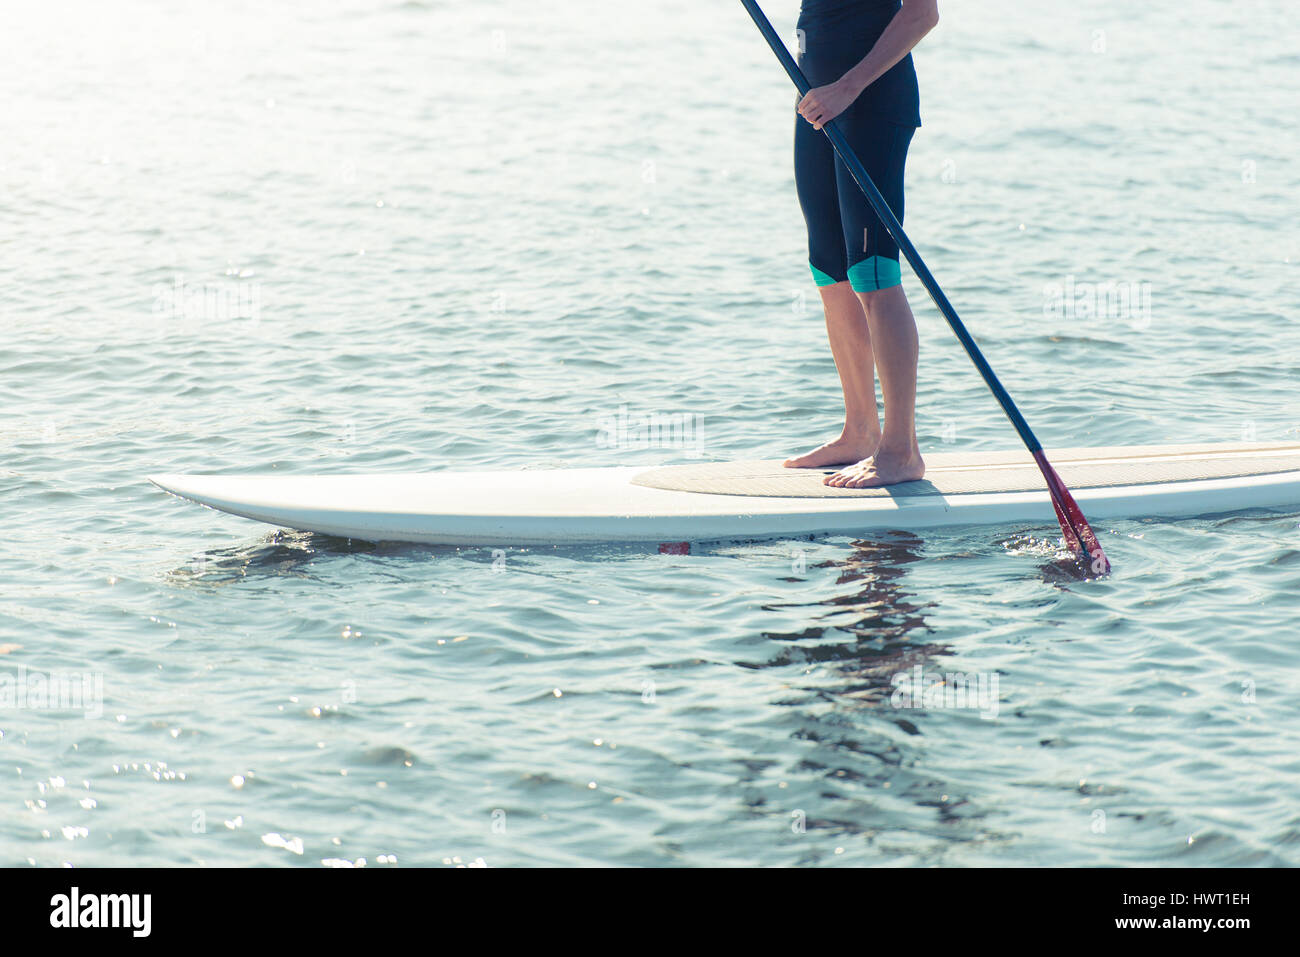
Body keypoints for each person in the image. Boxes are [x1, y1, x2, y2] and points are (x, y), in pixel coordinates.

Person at [783, 0, 939, 487]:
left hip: (870, 104)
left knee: (873, 273)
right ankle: (860, 432)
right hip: (818, 104)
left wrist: (849, 87)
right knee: (830, 272)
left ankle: (902, 451)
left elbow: (922, 14)